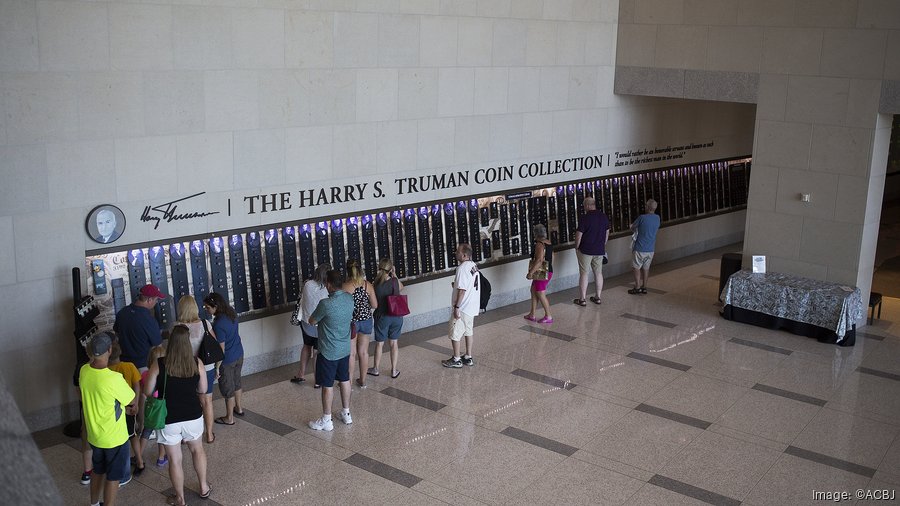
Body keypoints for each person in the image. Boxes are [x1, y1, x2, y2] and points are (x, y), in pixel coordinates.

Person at [144, 325, 211, 506]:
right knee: (197, 450)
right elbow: (203, 390)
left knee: (175, 459)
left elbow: (148, 391)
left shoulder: (159, 364)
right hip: (193, 416)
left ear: (170, 342)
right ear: (187, 342)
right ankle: (204, 487)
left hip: (168, 419)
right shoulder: (197, 363)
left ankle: (180, 499)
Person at [79, 332, 136, 506]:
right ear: (110, 350)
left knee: (98, 470)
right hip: (114, 438)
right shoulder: (113, 379)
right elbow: (131, 400)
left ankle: (94, 503)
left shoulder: (84, 371)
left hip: (95, 436)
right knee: (113, 476)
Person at [307, 269, 354, 431]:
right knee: (344, 380)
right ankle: (346, 414)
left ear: (328, 284)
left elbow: (312, 321)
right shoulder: (349, 298)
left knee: (327, 384)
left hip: (328, 351)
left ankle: (327, 419)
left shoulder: (325, 304)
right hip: (345, 348)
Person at [175, 295, 217, 444]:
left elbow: (174, 351)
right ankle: (209, 434)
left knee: (187, 401)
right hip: (206, 367)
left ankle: (187, 436)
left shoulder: (177, 327)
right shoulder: (205, 323)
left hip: (186, 369)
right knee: (207, 401)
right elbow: (214, 344)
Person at [204, 292, 245, 426]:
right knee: (237, 382)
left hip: (227, 360)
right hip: (239, 353)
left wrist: (216, 368)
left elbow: (221, 349)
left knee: (228, 389)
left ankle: (229, 418)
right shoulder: (231, 312)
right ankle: (238, 408)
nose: (206, 310)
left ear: (215, 306)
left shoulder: (218, 324)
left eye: (208, 307)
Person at [290, 263, 331, 386]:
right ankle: (318, 380)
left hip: (306, 322)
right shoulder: (326, 288)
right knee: (317, 352)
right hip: (321, 325)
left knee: (306, 346)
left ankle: (301, 374)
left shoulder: (307, 284)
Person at [107, 340, 143, 479]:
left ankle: (124, 466)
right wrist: (137, 403)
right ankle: (139, 461)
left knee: (119, 439)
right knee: (132, 434)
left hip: (114, 409)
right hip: (130, 405)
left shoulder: (106, 371)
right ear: (120, 352)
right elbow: (137, 385)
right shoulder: (129, 366)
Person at [441, 244, 481, 369]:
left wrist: (457, 307)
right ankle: (468, 356)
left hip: (463, 306)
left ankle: (457, 359)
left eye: (457, 251)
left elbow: (462, 290)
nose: (455, 253)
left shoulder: (462, 268)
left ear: (464, 255)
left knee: (455, 332)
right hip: (472, 305)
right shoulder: (473, 265)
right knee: (469, 331)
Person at [343, 258, 377, 388]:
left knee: (351, 353)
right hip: (367, 320)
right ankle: (362, 381)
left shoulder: (346, 286)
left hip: (351, 323)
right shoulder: (368, 285)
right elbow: (375, 304)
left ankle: (349, 383)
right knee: (363, 352)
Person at [114, 284, 165, 371]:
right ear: (149, 300)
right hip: (142, 366)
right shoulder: (149, 320)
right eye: (156, 299)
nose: (156, 302)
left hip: (123, 364)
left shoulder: (122, 313)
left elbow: (117, 334)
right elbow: (158, 347)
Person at [369, 258, 404, 379]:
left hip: (382, 317)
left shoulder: (376, 283)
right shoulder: (394, 281)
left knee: (379, 344)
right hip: (396, 316)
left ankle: (376, 368)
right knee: (394, 343)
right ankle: (394, 370)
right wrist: (394, 274)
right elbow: (401, 287)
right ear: (390, 269)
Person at [573, 197, 610, 306]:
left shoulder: (585, 218)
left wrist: (576, 246)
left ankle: (582, 299)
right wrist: (603, 244)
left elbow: (578, 236)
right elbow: (607, 232)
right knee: (598, 273)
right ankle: (598, 297)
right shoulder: (603, 216)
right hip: (599, 250)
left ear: (588, 205)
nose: (584, 208)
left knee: (584, 273)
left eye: (584, 206)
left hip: (585, 250)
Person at [138, 345, 167, 469]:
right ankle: (161, 457)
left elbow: (143, 391)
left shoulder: (144, 374)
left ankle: (138, 455)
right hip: (161, 407)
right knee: (162, 432)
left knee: (146, 431)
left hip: (149, 406)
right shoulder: (164, 375)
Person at [629, 199, 661, 295]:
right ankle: (644, 287)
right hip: (650, 249)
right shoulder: (657, 218)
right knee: (646, 268)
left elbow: (633, 227)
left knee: (636, 267)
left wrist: (631, 226)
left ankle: (637, 287)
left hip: (639, 248)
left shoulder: (642, 218)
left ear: (647, 207)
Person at [525, 224, 554, 324]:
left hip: (541, 272)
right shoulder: (548, 242)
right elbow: (552, 256)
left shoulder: (539, 244)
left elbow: (539, 260)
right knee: (533, 290)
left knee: (540, 293)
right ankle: (532, 314)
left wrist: (530, 273)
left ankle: (548, 316)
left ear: (535, 234)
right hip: (548, 270)